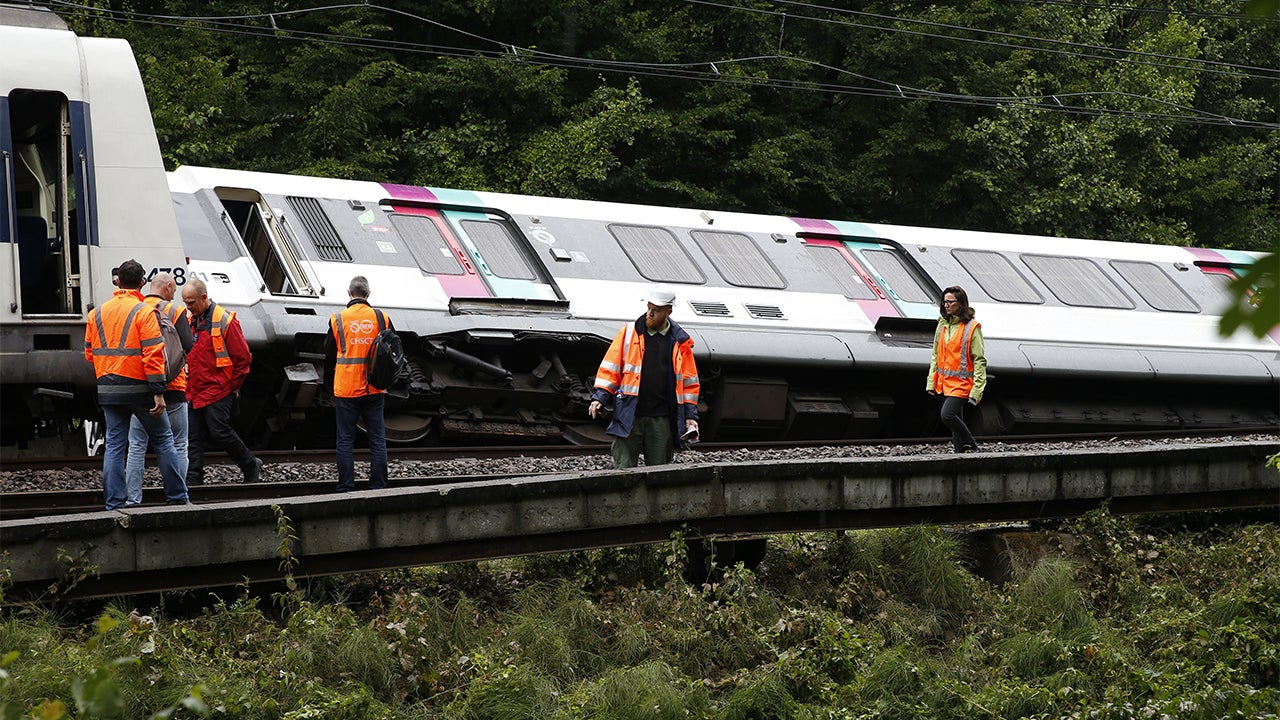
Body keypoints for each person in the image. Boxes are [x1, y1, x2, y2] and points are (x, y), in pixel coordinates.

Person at [84, 260, 189, 508]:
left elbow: (89, 354)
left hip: (109, 389)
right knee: (164, 439)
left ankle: (115, 504)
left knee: (115, 445)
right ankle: (177, 498)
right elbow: (153, 355)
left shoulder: (96, 313)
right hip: (140, 390)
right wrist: (158, 392)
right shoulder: (145, 312)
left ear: (117, 281)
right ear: (142, 283)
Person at [589, 285, 700, 469]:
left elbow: (689, 384)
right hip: (629, 415)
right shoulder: (628, 333)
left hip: (661, 419)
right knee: (623, 470)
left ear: (668, 311)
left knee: (659, 473)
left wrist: (690, 416)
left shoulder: (681, 342)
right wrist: (600, 397)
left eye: (655, 310)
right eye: (648, 308)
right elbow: (611, 368)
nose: (649, 313)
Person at [181, 277, 263, 484]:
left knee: (219, 432)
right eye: (185, 302)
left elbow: (243, 358)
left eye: (191, 302)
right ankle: (193, 478)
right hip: (195, 389)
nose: (188, 307)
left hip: (218, 388)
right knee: (193, 436)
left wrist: (232, 385)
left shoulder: (224, 320)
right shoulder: (190, 320)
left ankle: (249, 463)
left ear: (204, 297)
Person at [123, 272, 194, 505]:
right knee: (179, 443)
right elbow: (188, 346)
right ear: (169, 286)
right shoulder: (175, 311)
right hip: (173, 386)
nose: (174, 293)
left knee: (136, 446)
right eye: (173, 289)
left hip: (141, 388)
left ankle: (133, 499)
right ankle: (177, 496)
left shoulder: (137, 308)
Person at [324, 275, 390, 492]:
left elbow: (329, 355)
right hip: (375, 387)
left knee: (345, 440)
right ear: (368, 295)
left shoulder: (338, 319)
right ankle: (378, 486)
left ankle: (345, 487)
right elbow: (393, 352)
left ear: (349, 294)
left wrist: (328, 385)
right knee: (378, 440)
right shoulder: (382, 318)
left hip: (347, 388)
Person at [926, 285, 987, 453]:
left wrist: (977, 390)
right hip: (946, 383)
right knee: (955, 418)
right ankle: (959, 453)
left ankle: (972, 445)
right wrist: (931, 382)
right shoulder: (942, 325)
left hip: (962, 384)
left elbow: (979, 360)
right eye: (944, 302)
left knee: (947, 415)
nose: (946, 305)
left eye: (950, 302)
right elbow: (935, 356)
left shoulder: (972, 327)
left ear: (961, 304)